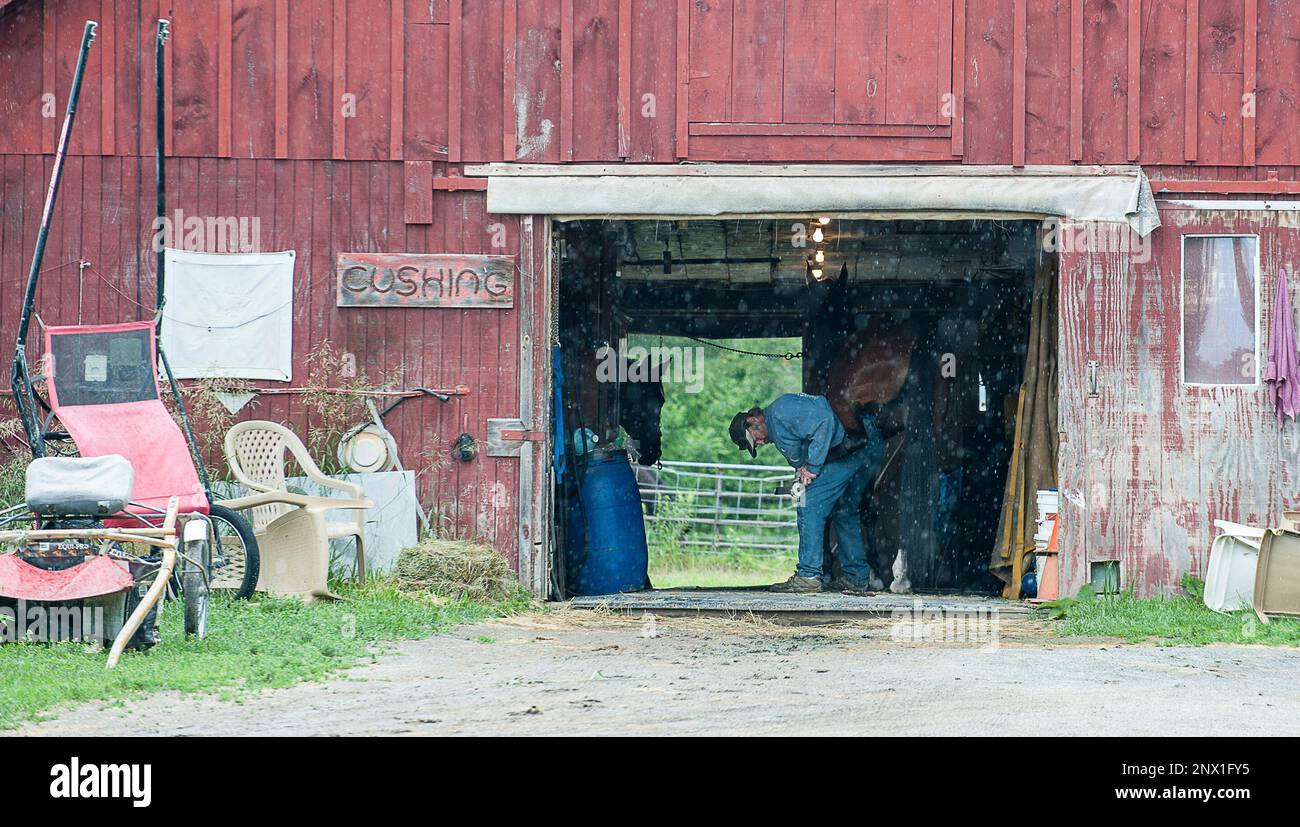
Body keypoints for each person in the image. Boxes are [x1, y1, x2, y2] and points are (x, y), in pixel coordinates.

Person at [729, 393, 885, 593]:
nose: (759, 443)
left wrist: (812, 467)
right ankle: (856, 577)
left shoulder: (781, 410)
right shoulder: (778, 429)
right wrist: (802, 474)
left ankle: (808, 576)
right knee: (844, 509)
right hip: (861, 447)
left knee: (809, 505)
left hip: (851, 447)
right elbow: (804, 457)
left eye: (754, 438)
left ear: (753, 420)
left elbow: (824, 420)